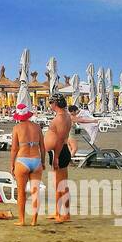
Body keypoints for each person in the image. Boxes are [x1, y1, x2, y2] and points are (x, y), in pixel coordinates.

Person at [9, 103, 43, 226]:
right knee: (35, 192)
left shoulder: (16, 128)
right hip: (36, 160)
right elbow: (42, 147)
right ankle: (34, 220)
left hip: (22, 160)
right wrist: (43, 162)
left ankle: (22, 220)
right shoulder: (37, 127)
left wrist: (12, 164)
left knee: (21, 192)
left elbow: (14, 149)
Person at [44, 94, 73, 223]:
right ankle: (63, 213)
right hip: (61, 151)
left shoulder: (61, 118)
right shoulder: (66, 115)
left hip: (59, 152)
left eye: (51, 102)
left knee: (59, 185)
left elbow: (60, 139)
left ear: (55, 104)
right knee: (63, 185)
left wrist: (55, 157)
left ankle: (59, 214)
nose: (50, 105)